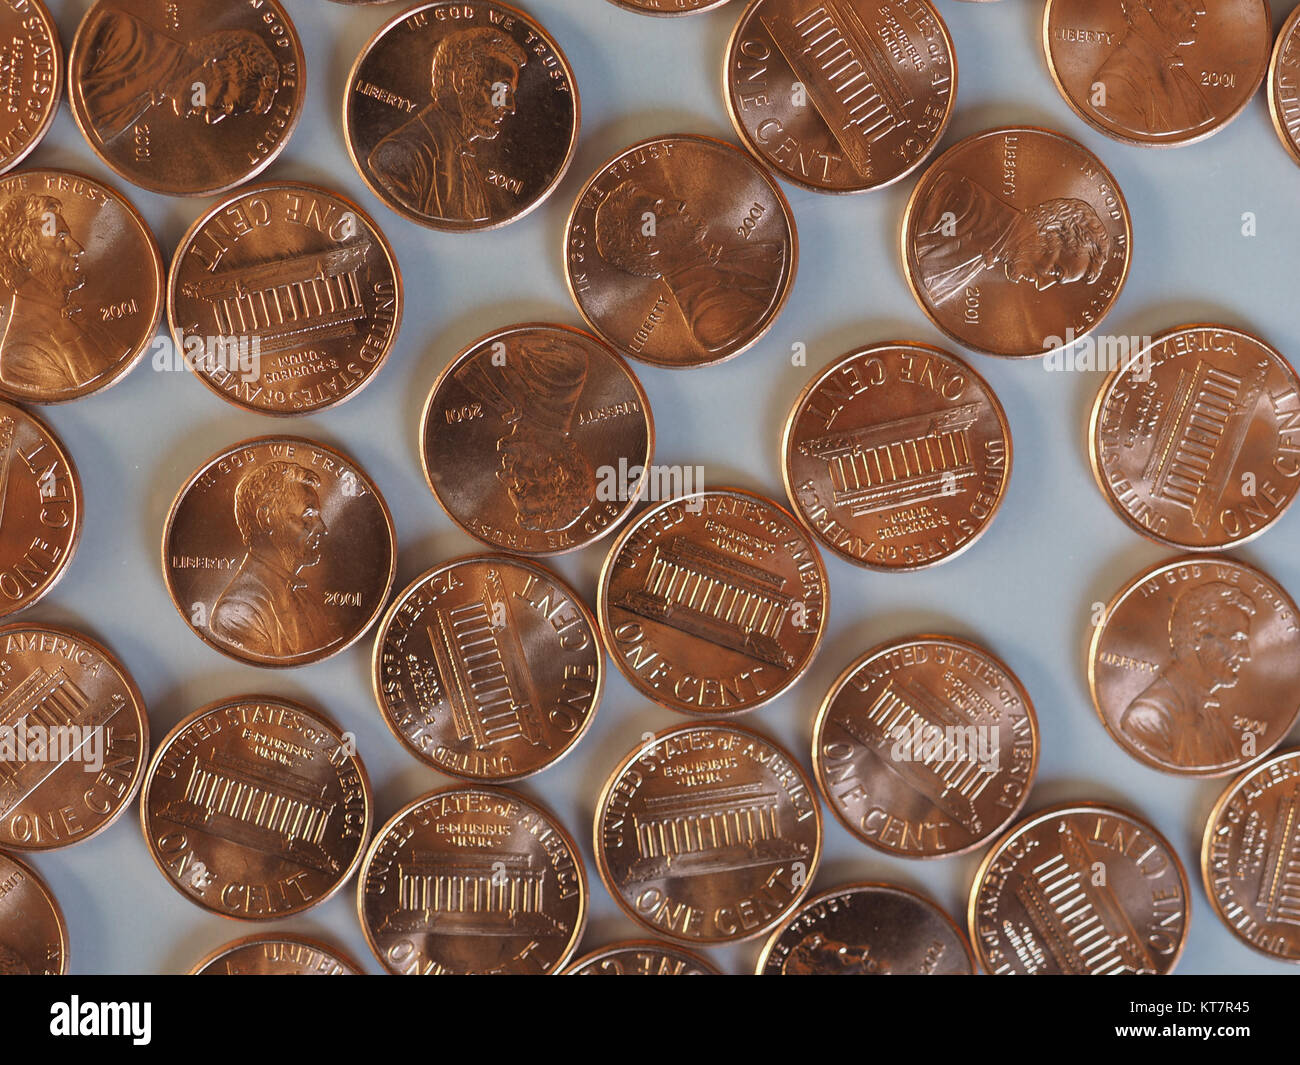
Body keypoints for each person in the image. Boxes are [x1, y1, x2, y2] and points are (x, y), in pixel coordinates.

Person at [594, 177, 785, 354]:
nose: (679, 203)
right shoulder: (712, 319)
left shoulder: (738, 258)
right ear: (645, 245)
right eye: (659, 208)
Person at [367, 27, 527, 222]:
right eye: (501, 90)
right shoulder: (400, 156)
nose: (510, 107)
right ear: (462, 79)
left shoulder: (464, 157)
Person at [78, 6, 279, 137]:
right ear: (213, 64)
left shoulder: (140, 104)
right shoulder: (122, 34)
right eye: (223, 104)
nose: (212, 118)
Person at [913, 172, 1112, 304]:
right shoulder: (959, 197)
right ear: (1052, 233)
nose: (1042, 285)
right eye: (1055, 271)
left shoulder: (985, 257)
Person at [1120, 582, 1255, 767]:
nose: (1246, 655)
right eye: (1237, 639)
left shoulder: (1209, 710)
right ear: (1198, 637)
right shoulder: (1148, 717)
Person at [210, 462, 329, 658]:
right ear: (267, 518)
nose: (322, 528)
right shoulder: (237, 613)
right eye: (308, 515)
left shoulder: (306, 603)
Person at [0, 194, 115, 394]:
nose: (77, 249)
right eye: (61, 239)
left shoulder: (83, 322)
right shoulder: (21, 355)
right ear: (25, 256)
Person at [1092, 0, 1213, 136]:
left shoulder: (1172, 68)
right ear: (1149, 6)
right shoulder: (1116, 81)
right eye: (1182, 6)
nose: (1199, 12)